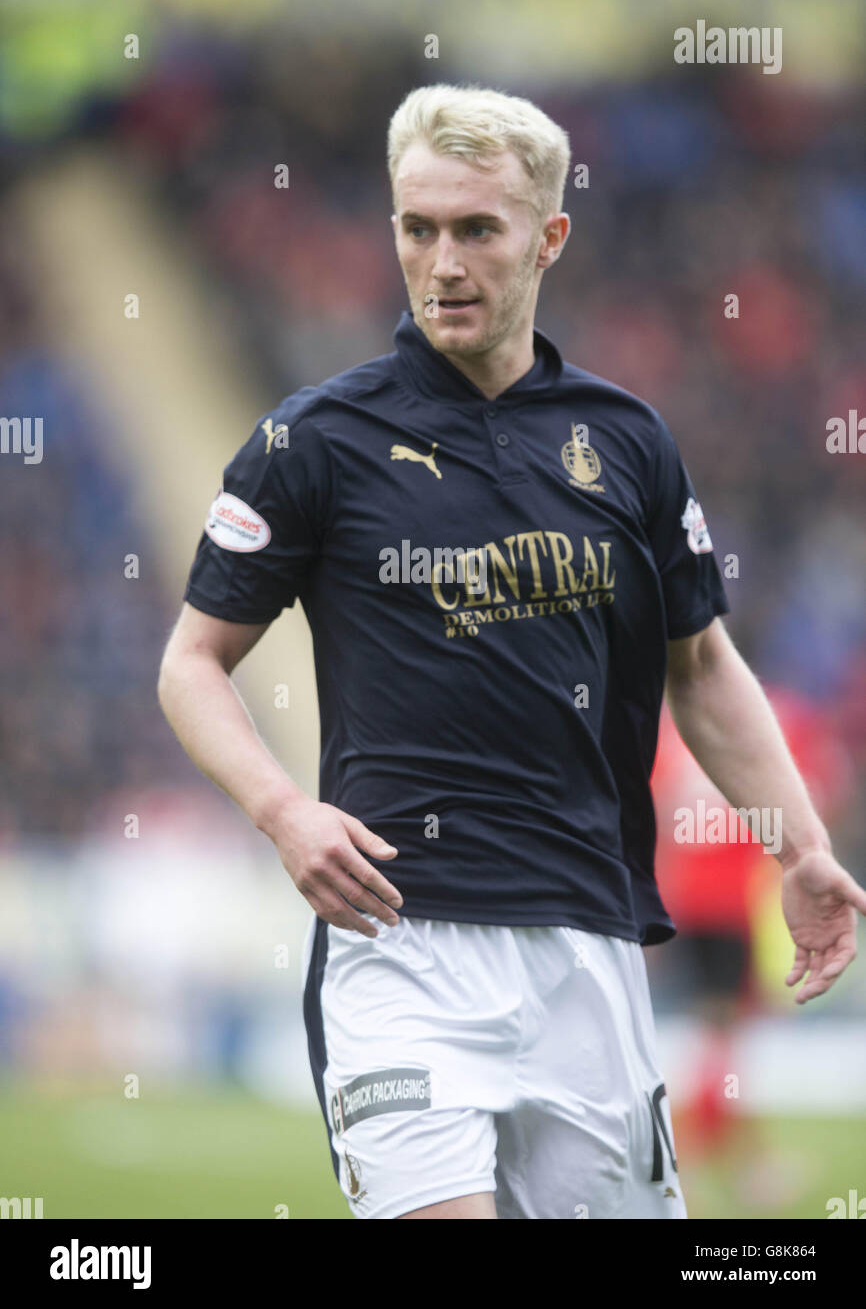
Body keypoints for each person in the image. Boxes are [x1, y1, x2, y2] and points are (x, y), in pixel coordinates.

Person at [158, 83, 866, 1220]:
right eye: (417, 227)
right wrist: (283, 813)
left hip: (588, 944)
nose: (442, 263)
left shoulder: (627, 439)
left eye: (477, 229)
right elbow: (191, 662)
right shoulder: (312, 442)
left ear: (548, 238)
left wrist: (801, 847)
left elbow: (700, 666)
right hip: (399, 939)